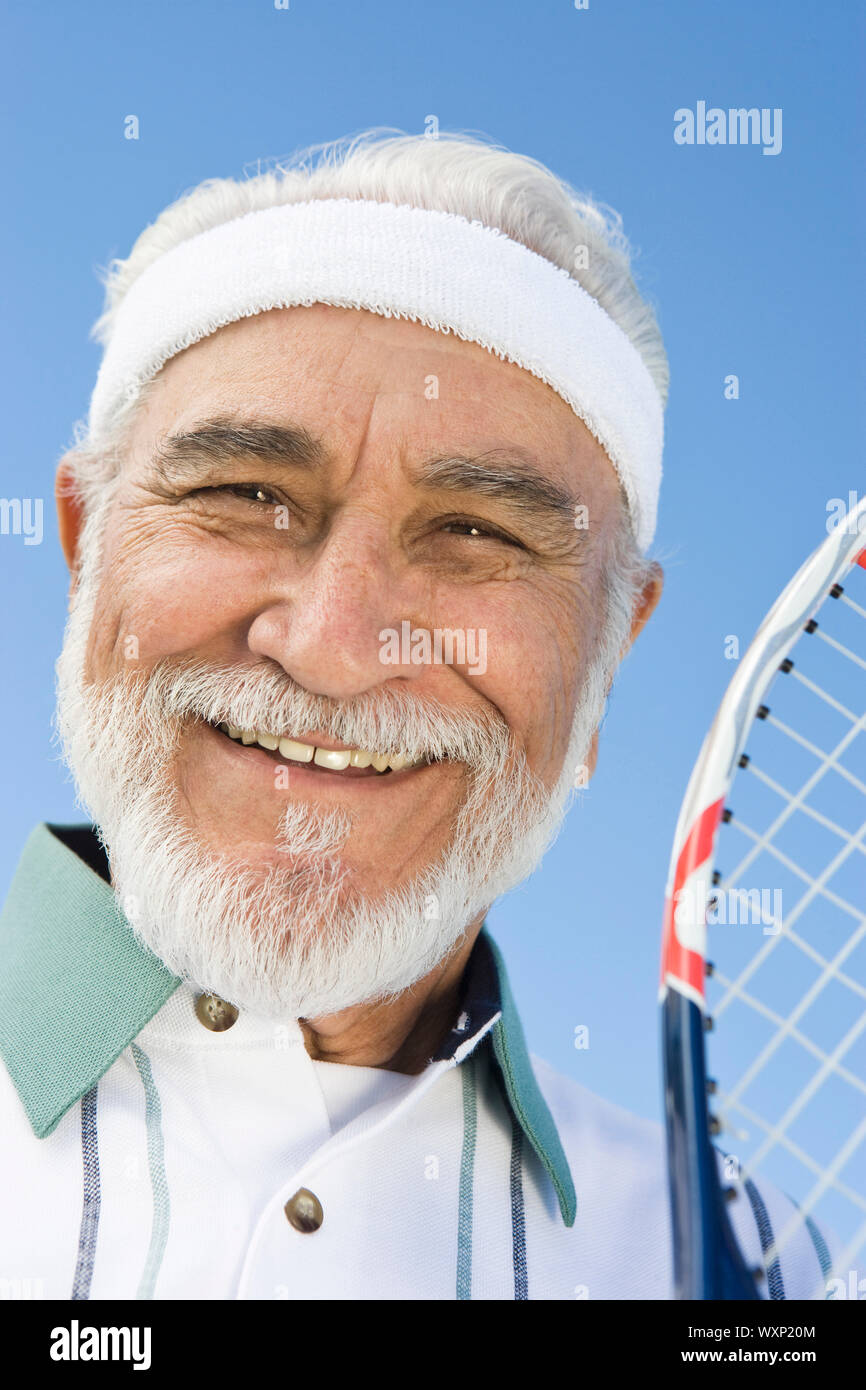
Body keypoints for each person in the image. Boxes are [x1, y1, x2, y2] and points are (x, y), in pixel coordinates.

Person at [0, 131, 826, 1299]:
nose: (336, 648)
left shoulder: (749, 1274)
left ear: (608, 654)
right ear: (85, 551)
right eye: (245, 496)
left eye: (476, 536)